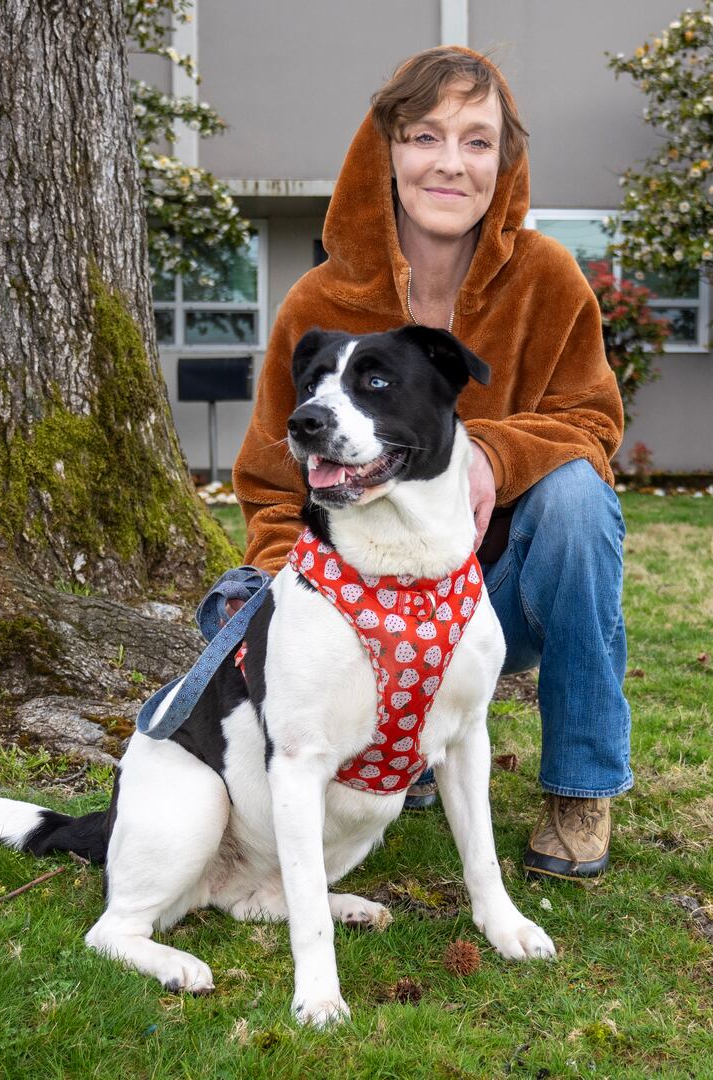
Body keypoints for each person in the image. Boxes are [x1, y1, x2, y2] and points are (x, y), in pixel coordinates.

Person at [232, 46, 631, 880]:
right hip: (357, 612)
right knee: (239, 609)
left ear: (505, 163)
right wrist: (284, 605)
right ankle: (389, 749)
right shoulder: (317, 304)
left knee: (578, 499)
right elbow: (273, 482)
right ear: (386, 152)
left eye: (478, 141)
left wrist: (492, 452)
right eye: (425, 136)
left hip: (497, 597)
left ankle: (581, 786)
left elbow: (591, 420)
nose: (451, 163)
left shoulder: (550, 279)